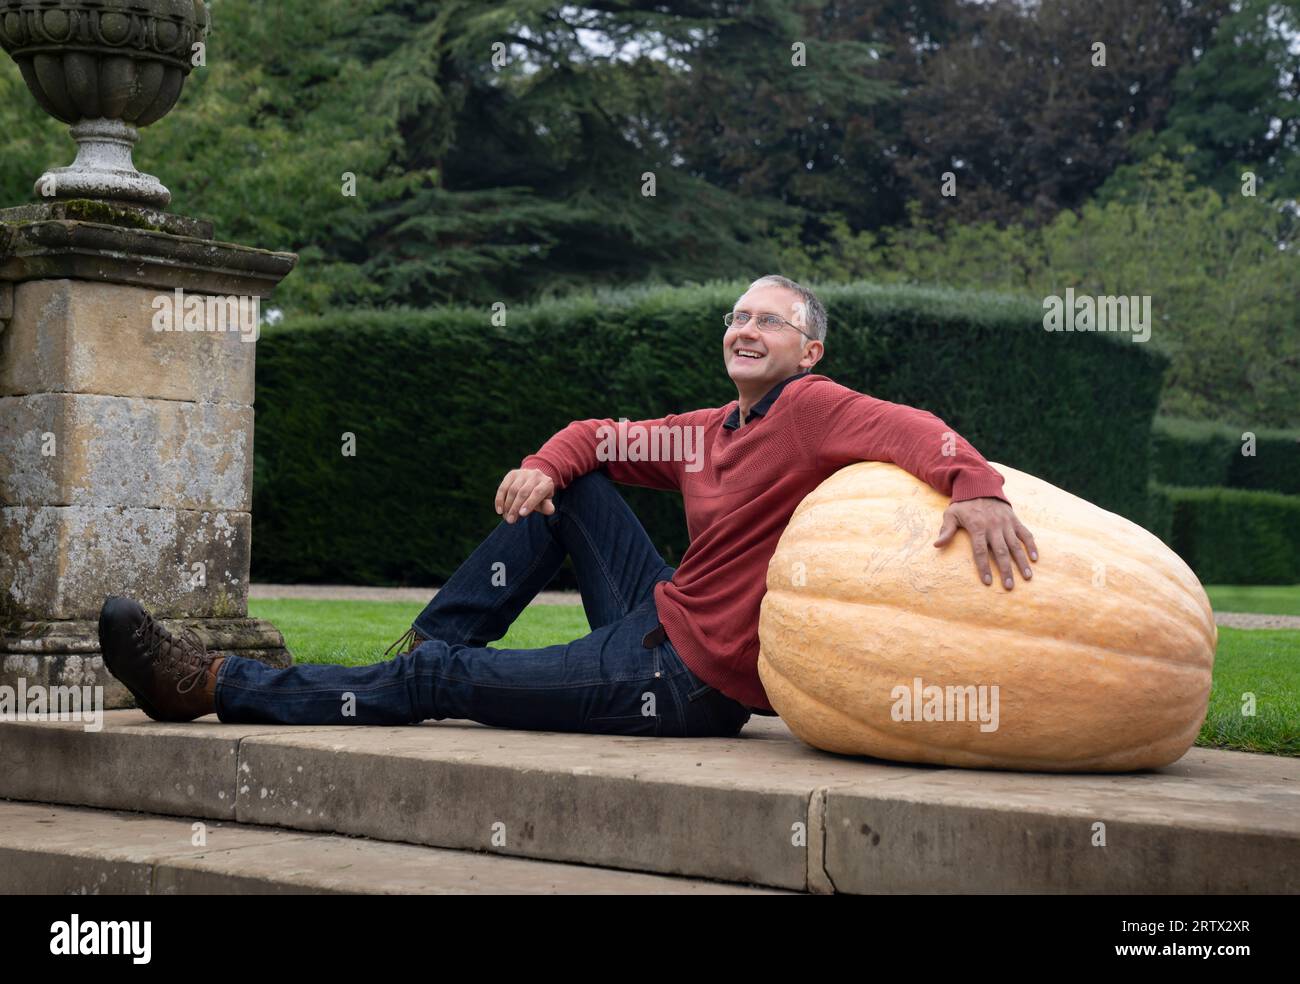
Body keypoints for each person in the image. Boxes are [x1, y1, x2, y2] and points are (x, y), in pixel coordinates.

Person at [98, 275, 1037, 737]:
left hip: (685, 684)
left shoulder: (814, 411)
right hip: (660, 617)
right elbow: (599, 436)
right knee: (572, 490)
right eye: (736, 318)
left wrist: (979, 488)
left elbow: (919, 431)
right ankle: (431, 647)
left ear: (809, 351)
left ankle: (214, 686)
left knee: (441, 688)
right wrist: (545, 463)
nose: (745, 329)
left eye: (769, 321)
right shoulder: (712, 429)